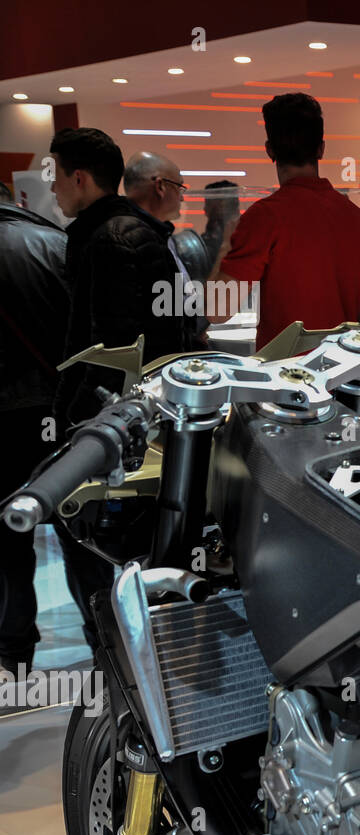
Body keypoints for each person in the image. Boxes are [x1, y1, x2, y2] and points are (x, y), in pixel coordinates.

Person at [49, 127, 187, 644]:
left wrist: (78, 422)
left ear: (79, 177)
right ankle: (131, 652)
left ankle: (122, 656)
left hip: (118, 423)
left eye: (57, 176)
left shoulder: (110, 239)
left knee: (104, 545)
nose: (55, 189)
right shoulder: (127, 234)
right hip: (136, 419)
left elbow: (110, 349)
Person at [207, 93, 360, 349]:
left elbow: (217, 310)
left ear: (270, 150)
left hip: (283, 381)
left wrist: (226, 244)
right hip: (343, 378)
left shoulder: (264, 217)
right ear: (321, 149)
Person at [0, 194, 70, 679]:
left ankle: (13, 654)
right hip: (62, 414)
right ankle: (108, 649)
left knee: (7, 545)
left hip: (1, 421)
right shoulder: (55, 243)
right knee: (83, 537)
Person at [123, 151, 206, 344]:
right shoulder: (136, 238)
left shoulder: (158, 233)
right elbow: (163, 316)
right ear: (160, 186)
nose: (182, 198)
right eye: (180, 187)